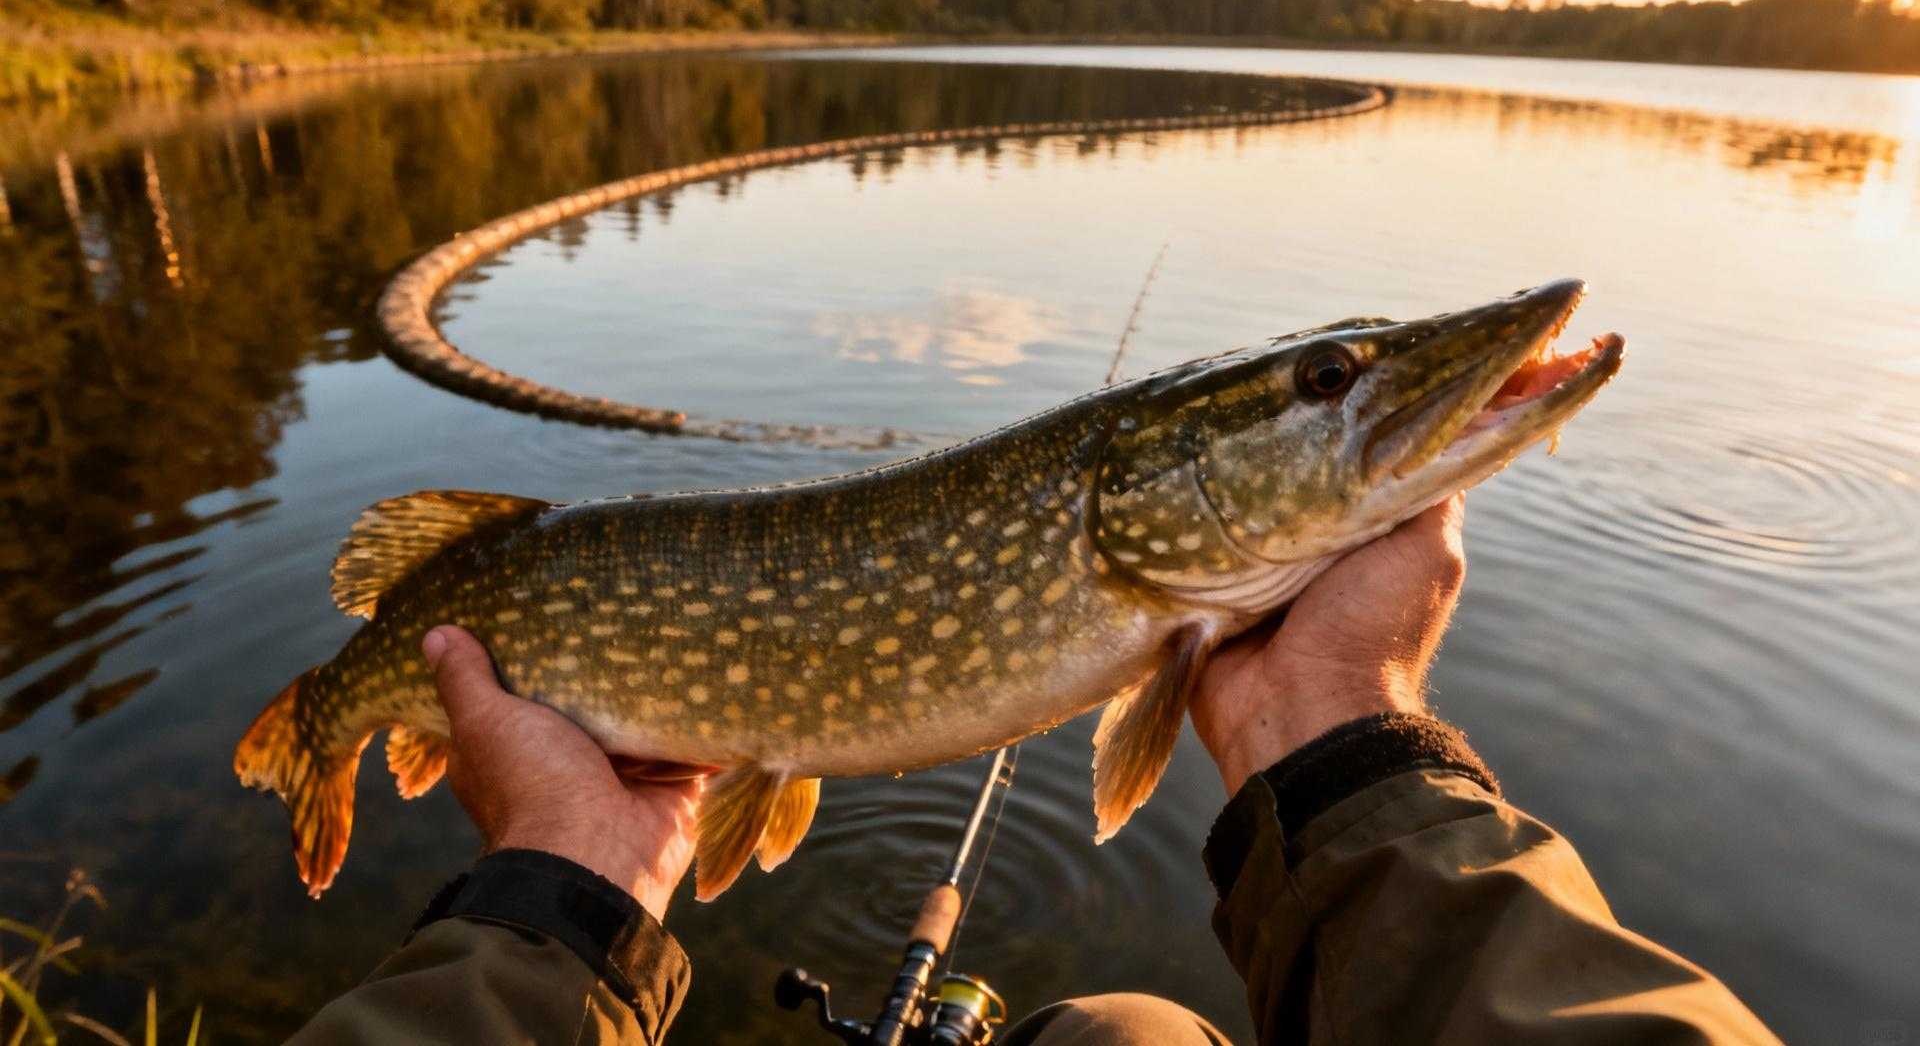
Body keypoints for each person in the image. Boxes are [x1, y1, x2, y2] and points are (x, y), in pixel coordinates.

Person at [290, 496, 1780, 1044]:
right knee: (1133, 1030)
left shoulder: (1138, 557)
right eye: (1328, 385)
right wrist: (1337, 725)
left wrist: (568, 871)